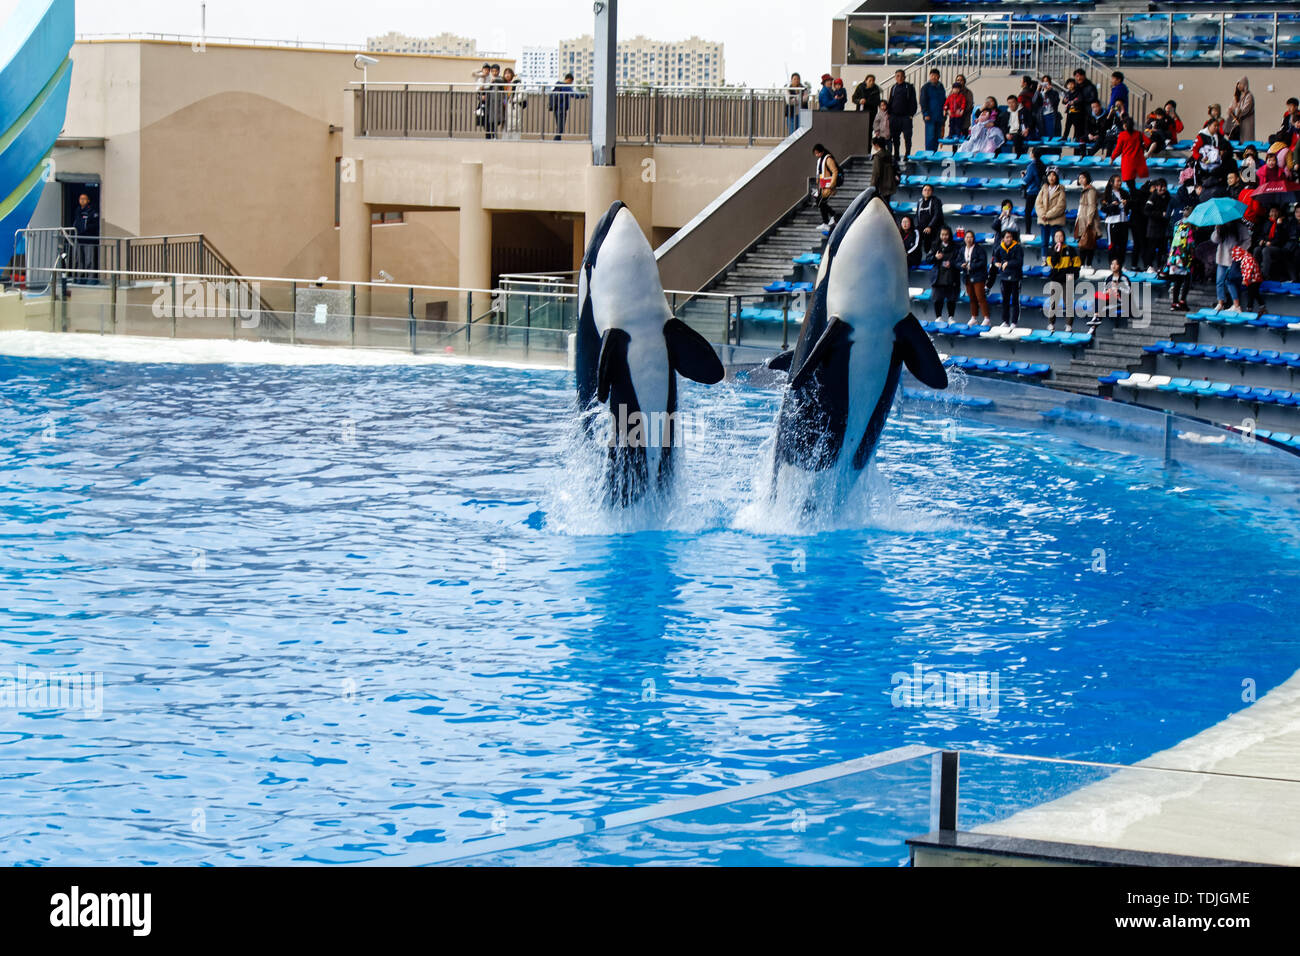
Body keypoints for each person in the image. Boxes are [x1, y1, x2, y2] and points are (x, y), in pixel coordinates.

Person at [1044, 229, 1082, 332]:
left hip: (1067, 279)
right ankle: (1051, 323)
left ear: (1064, 238)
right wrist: (1056, 252)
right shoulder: (1051, 250)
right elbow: (1052, 264)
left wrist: (1072, 275)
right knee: (1053, 302)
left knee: (1068, 302)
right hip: (1055, 278)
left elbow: (1077, 264)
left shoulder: (1071, 249)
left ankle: (1069, 325)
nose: (1059, 238)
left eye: (1060, 236)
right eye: (1056, 237)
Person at [991, 229, 1024, 328]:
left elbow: (1019, 262)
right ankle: (1005, 321)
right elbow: (995, 258)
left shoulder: (1017, 248)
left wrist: (1008, 263)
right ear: (1003, 239)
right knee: (1005, 300)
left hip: (1015, 277)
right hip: (1004, 278)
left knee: (1015, 300)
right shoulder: (1000, 248)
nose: (1008, 239)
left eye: (1010, 237)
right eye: (1006, 237)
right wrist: (996, 263)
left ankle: (1014, 322)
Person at [1137, 178, 1171, 272]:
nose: (1163, 189)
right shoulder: (1153, 196)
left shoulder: (1167, 196)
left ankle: (1161, 266)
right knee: (1151, 248)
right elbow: (1146, 210)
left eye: (1164, 187)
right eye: (1161, 187)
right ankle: (1149, 265)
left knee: (1162, 249)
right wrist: (1160, 214)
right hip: (1153, 228)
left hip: (1163, 227)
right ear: (1156, 187)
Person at [1259, 205, 1300, 281]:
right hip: (1287, 248)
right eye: (1297, 212)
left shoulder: (1286, 221)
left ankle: (1293, 278)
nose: (1298, 214)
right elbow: (1283, 236)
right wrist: (1279, 225)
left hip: (1292, 249)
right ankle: (1261, 276)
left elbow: (1282, 239)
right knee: (1262, 250)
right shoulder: (1291, 222)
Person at [959, 228, 991, 326]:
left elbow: (983, 262)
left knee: (980, 296)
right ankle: (974, 317)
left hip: (978, 276)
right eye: (967, 237)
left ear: (974, 239)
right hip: (967, 276)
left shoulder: (979, 249)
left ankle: (986, 318)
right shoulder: (962, 249)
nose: (969, 239)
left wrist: (972, 266)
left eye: (971, 237)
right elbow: (957, 261)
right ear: (964, 239)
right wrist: (961, 265)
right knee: (972, 297)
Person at [1212, 220, 1245, 311]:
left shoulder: (1240, 226)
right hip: (1222, 257)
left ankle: (1236, 305)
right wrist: (1217, 230)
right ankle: (1220, 303)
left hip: (1235, 258)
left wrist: (1239, 250)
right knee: (1219, 281)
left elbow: (1247, 240)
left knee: (1230, 281)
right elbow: (1215, 240)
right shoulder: (1220, 225)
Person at [1111, 116, 1149, 195]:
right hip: (1138, 162)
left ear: (1125, 125)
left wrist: (1112, 158)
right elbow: (1148, 142)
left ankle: (1137, 200)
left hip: (1127, 163)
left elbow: (1118, 149)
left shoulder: (1122, 135)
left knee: (1131, 186)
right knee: (1133, 185)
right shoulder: (1139, 134)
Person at [1034, 168, 1068, 258]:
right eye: (1049, 175)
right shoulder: (1043, 188)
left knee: (1055, 241)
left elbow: (1061, 206)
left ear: (1057, 177)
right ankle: (1044, 259)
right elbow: (1038, 203)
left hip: (1055, 220)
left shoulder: (1061, 189)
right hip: (1043, 220)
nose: (1051, 177)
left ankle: (1055, 258)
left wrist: (1048, 215)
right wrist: (1042, 215)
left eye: (1053, 175)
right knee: (1044, 242)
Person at [929, 226, 960, 320]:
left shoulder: (955, 246)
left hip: (951, 276)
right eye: (942, 234)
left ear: (949, 235)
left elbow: (959, 261)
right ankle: (938, 317)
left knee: (951, 298)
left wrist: (951, 263)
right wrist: (935, 257)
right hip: (938, 276)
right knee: (938, 298)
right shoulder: (935, 245)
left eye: (946, 234)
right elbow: (928, 259)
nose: (944, 237)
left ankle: (951, 317)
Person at [1100, 176, 1131, 268]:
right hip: (1112, 222)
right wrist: (1112, 206)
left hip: (1123, 221)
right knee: (1112, 245)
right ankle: (1112, 265)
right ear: (1111, 182)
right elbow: (1103, 209)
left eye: (1120, 181)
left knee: (1123, 245)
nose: (1120, 183)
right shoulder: (1107, 194)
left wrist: (1127, 203)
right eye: (1117, 181)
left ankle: (1121, 265)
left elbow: (1130, 205)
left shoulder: (1124, 193)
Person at [887, 69, 917, 162]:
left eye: (901, 76)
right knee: (895, 138)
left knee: (907, 137)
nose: (899, 78)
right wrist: (889, 113)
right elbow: (890, 101)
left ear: (904, 77)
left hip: (906, 117)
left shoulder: (909, 87)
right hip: (895, 117)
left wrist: (911, 114)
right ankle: (896, 155)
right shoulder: (894, 88)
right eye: (897, 76)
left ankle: (907, 154)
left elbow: (913, 102)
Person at [1165, 219, 1195, 311]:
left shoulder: (1177, 225)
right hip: (1184, 257)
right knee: (1187, 279)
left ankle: (1174, 303)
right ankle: (1182, 301)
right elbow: (1191, 244)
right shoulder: (1189, 228)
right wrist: (1193, 256)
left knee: (1177, 280)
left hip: (1174, 256)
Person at [1074, 171, 1101, 267]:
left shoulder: (1090, 190)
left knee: (1089, 242)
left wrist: (1089, 220)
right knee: (1083, 242)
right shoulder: (1085, 189)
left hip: (1088, 220)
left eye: (1083, 178)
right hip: (1082, 218)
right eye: (1080, 178)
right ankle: (1082, 264)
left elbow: (1092, 206)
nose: (1081, 180)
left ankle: (1087, 264)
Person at [71, 192, 99, 283]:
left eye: (84, 199)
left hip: (89, 240)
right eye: (80, 199)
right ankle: (80, 278)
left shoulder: (92, 211)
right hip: (79, 239)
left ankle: (91, 279)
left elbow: (95, 225)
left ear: (88, 200)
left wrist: (86, 229)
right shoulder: (77, 210)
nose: (82, 200)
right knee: (79, 260)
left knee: (89, 260)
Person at [812, 143, 840, 227]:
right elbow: (819, 173)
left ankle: (833, 215)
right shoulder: (820, 160)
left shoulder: (828, 159)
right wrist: (817, 182)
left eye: (818, 153)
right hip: (822, 186)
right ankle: (827, 221)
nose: (817, 155)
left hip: (828, 186)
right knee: (820, 203)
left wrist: (832, 184)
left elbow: (835, 171)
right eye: (815, 153)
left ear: (822, 151)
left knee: (821, 203)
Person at [1231, 242, 1264, 311]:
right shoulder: (1245, 258)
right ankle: (1260, 307)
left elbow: (1249, 269)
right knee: (1254, 293)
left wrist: (1245, 279)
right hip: (1252, 279)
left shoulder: (1247, 258)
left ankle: (1250, 308)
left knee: (1251, 293)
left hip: (1255, 279)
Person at [549, 73, 582, 140]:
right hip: (562, 109)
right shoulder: (566, 87)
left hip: (556, 108)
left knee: (559, 126)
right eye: (571, 82)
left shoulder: (558, 85)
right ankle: (556, 140)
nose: (571, 84)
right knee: (560, 127)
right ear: (569, 80)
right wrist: (585, 95)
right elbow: (575, 95)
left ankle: (558, 140)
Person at [920, 68, 946, 153]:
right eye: (932, 75)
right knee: (930, 136)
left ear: (938, 77)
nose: (934, 77)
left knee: (937, 136)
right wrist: (925, 113)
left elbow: (944, 100)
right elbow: (923, 101)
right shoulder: (926, 87)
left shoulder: (941, 86)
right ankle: (929, 154)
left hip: (939, 116)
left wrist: (944, 114)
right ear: (930, 76)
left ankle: (934, 153)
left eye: (935, 76)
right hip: (930, 116)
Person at [1023, 147, 1045, 239]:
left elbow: (1026, 180)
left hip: (1032, 191)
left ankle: (1028, 232)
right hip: (1041, 191)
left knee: (1028, 212)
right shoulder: (1043, 165)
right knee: (1041, 212)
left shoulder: (1031, 165)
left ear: (1033, 154)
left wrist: (1023, 176)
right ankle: (1043, 231)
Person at [915, 183, 945, 253]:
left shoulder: (936, 201)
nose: (927, 191)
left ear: (932, 192)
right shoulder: (920, 202)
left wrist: (930, 226)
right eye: (925, 190)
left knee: (934, 247)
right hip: (923, 228)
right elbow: (917, 215)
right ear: (922, 192)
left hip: (934, 229)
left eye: (929, 190)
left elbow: (937, 215)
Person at [1226, 77, 1255, 143]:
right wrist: (1230, 111)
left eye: (1241, 84)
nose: (1239, 86)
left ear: (1245, 85)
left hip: (1246, 123)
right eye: (1238, 84)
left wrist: (1237, 110)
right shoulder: (1237, 96)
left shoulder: (1249, 96)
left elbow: (1246, 109)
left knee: (1246, 141)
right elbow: (1231, 107)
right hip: (1236, 125)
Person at [870, 135, 897, 202]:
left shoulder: (878, 156)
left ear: (876, 145)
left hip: (881, 185)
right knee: (887, 202)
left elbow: (876, 172)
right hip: (890, 182)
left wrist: (872, 185)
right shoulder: (888, 154)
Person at [500, 68, 525, 140]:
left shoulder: (517, 83)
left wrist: (514, 100)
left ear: (512, 74)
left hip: (514, 108)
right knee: (506, 126)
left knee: (515, 126)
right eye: (505, 73)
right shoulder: (503, 84)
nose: (507, 75)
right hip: (506, 109)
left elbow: (523, 95)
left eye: (508, 73)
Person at [1062, 78, 1086, 146]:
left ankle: (1077, 138)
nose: (1070, 85)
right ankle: (1064, 137)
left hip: (1077, 112)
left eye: (1072, 84)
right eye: (1069, 84)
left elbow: (1080, 99)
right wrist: (1064, 101)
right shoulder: (1067, 93)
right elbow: (1063, 102)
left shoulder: (1078, 92)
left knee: (1077, 127)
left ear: (1074, 84)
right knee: (1067, 126)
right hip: (1070, 112)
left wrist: (1073, 102)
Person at [1037, 75, 1061, 140]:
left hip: (1051, 114)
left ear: (1050, 83)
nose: (1045, 83)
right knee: (1043, 135)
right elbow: (1034, 101)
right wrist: (1037, 90)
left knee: (1051, 135)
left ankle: (1051, 149)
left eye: (1047, 81)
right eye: (1043, 81)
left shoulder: (1054, 92)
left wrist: (1049, 92)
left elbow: (1055, 103)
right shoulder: (1040, 93)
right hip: (1042, 116)